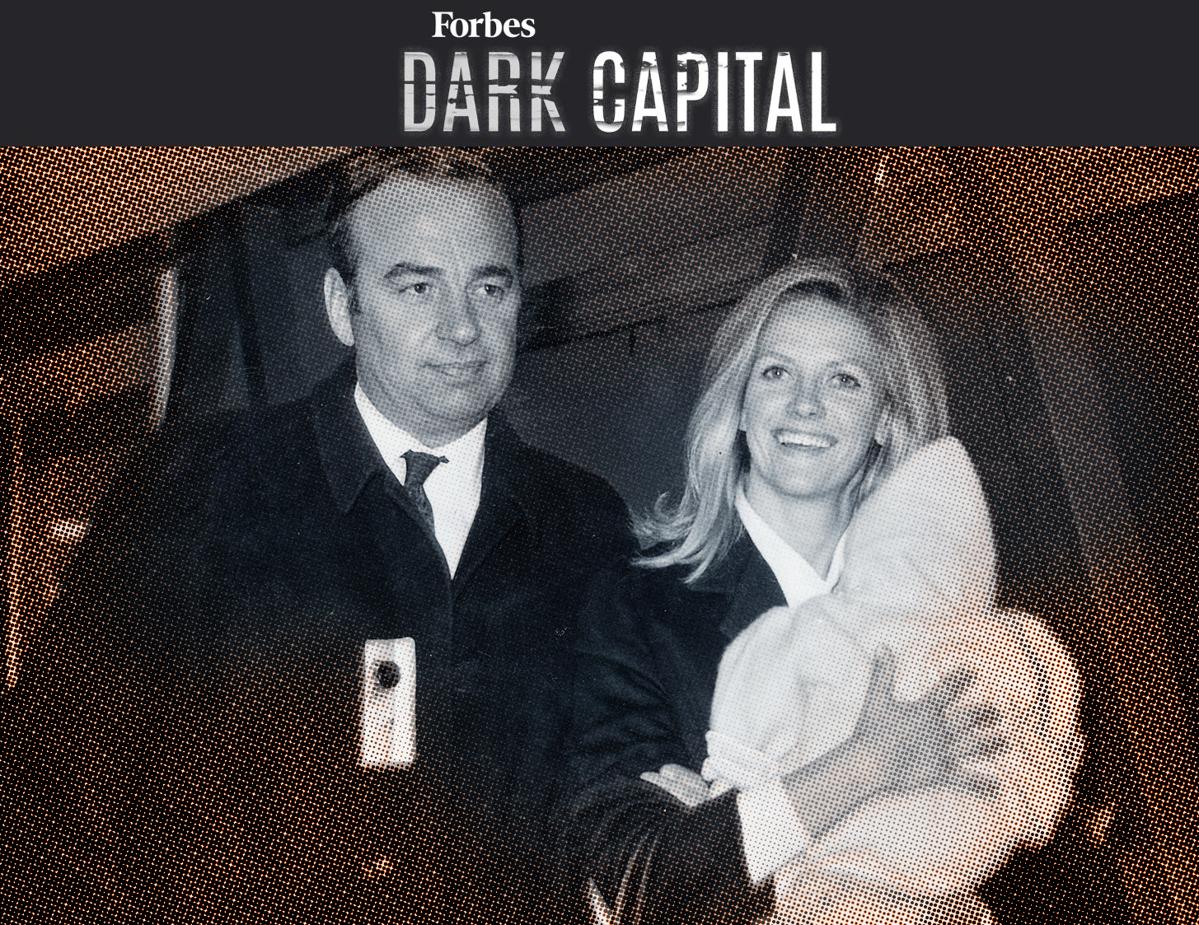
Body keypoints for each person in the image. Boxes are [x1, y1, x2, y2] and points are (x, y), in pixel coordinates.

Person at [5, 148, 631, 924]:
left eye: (489, 287)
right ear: (342, 305)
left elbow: (617, 797)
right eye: (417, 286)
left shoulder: (585, 523)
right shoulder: (198, 488)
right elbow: (40, 797)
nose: (462, 326)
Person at [564, 258, 1081, 924]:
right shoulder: (632, 605)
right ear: (738, 404)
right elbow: (639, 880)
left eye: (844, 379)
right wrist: (864, 766)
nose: (804, 404)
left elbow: (1015, 842)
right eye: (776, 372)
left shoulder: (949, 596)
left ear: (884, 418)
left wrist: (735, 826)